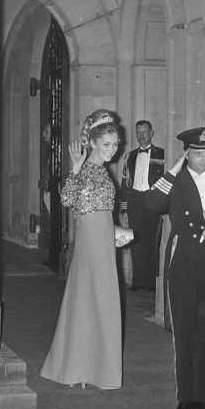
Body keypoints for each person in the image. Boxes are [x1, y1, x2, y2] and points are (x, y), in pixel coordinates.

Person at [144, 127, 205, 409]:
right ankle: (185, 397)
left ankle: (202, 397)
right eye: (197, 154)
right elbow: (150, 204)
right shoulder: (175, 183)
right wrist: (173, 171)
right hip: (183, 263)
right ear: (187, 154)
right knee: (184, 332)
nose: (203, 159)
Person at [40, 109, 123, 390]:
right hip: (90, 241)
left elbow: (102, 210)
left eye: (115, 144)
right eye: (106, 145)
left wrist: (117, 231)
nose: (112, 150)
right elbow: (65, 200)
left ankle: (96, 369)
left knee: (102, 303)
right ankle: (82, 369)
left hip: (103, 237)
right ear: (93, 143)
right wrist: (75, 168)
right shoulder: (86, 168)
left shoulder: (102, 170)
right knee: (89, 300)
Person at [120, 120, 165, 292]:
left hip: (153, 200)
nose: (141, 136)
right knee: (136, 241)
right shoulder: (129, 156)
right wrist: (124, 208)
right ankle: (138, 281)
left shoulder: (161, 154)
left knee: (152, 241)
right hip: (135, 202)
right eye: (138, 133)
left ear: (151, 133)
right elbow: (124, 184)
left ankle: (152, 282)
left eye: (144, 132)